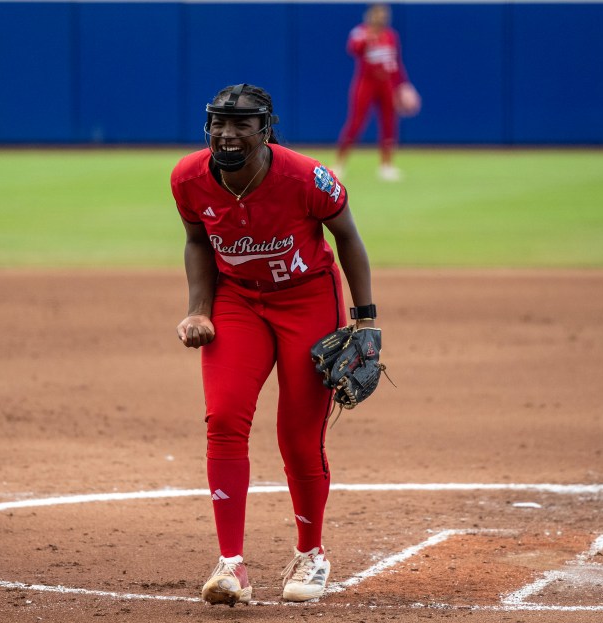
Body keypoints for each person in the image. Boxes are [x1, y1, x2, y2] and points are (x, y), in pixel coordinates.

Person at [170, 83, 378, 605]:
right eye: (218, 123)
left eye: (241, 124)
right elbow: (198, 241)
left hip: (307, 299)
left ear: (266, 130)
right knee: (224, 416)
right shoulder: (188, 178)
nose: (227, 133)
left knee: (299, 435)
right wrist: (199, 308)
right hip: (237, 303)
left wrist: (366, 318)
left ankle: (311, 553)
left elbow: (347, 237)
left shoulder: (308, 177)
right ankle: (230, 565)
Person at [333, 3, 418, 181]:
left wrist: (404, 85)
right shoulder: (361, 31)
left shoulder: (391, 35)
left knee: (389, 122)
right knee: (356, 122)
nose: (382, 18)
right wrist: (367, 38)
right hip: (366, 82)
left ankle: (386, 165)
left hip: (386, 82)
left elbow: (396, 63)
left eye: (385, 14)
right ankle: (339, 164)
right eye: (379, 14)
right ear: (370, 15)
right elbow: (353, 49)